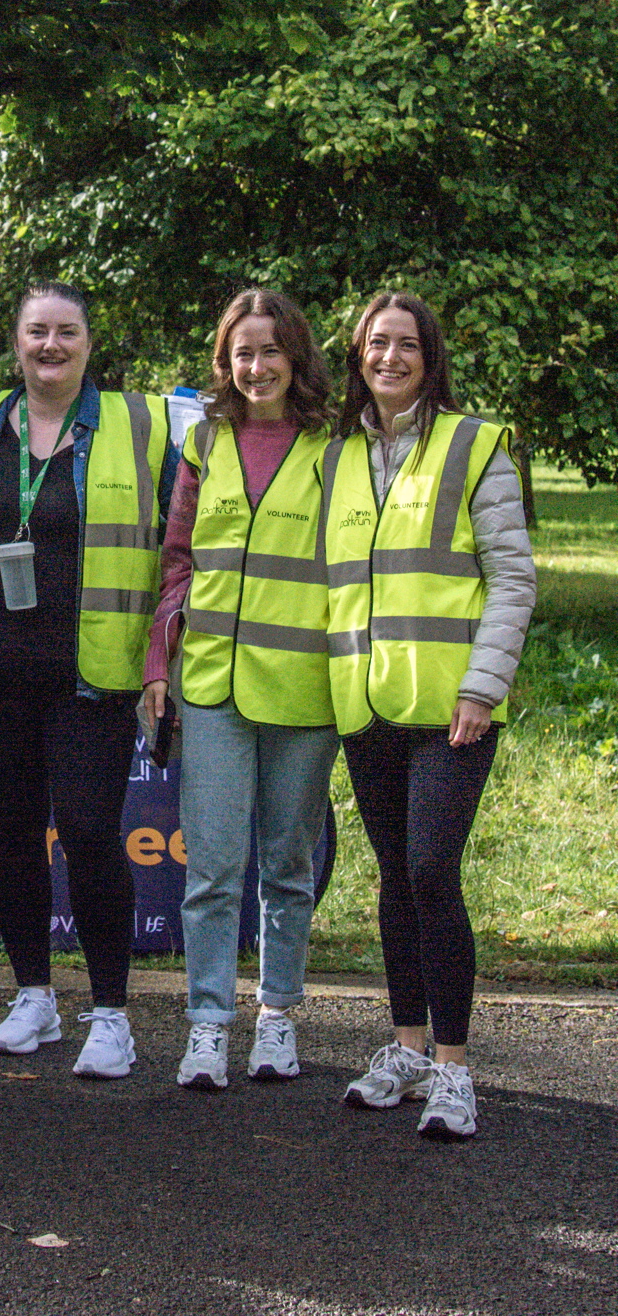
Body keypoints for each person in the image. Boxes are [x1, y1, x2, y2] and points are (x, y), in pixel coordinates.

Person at [0, 281, 179, 1077]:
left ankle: (111, 1014)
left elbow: (182, 541)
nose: (51, 347)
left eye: (67, 332)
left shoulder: (141, 425)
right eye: (37, 332)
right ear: (17, 341)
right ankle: (32, 994)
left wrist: (163, 657)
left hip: (89, 674)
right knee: (11, 832)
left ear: (89, 344)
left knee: (94, 832)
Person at [324, 292, 533, 1140]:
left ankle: (453, 1066)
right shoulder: (334, 455)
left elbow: (513, 575)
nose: (391, 358)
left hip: (454, 706)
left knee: (429, 871)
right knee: (392, 880)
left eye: (407, 345)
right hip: (366, 699)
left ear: (430, 357)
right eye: (377, 343)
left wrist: (484, 685)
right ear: (358, 355)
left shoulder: (475, 445)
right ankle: (405, 1046)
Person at [142, 288, 340, 1091]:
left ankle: (280, 1017)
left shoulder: (338, 445)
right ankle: (208, 1023)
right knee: (214, 864)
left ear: (296, 355)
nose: (255, 367)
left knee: (288, 863)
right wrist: (160, 664)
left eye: (269, 350)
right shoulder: (205, 440)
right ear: (224, 363)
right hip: (212, 682)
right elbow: (177, 559)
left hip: (305, 683)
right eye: (240, 353)